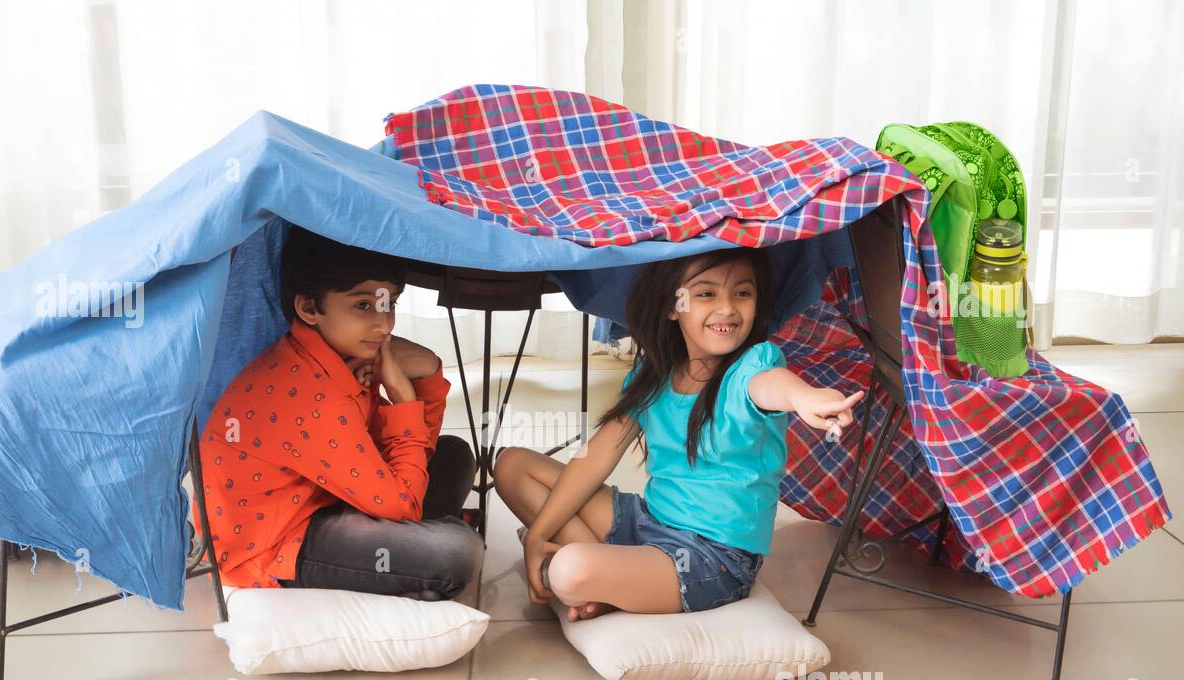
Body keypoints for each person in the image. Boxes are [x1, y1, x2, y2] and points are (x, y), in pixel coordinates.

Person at [494, 246, 863, 620]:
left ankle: (607, 580)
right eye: (706, 294)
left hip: (711, 559)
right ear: (674, 306)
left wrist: (806, 397)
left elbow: (772, 386)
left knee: (567, 570)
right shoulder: (655, 375)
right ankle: (616, 580)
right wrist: (539, 535)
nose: (727, 309)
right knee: (511, 465)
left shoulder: (753, 366)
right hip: (649, 523)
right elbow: (597, 457)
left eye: (743, 293)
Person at [196, 226, 483, 601]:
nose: (384, 324)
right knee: (456, 552)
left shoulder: (339, 355)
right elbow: (403, 504)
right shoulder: (311, 395)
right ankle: (411, 560)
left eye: (389, 303)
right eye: (363, 305)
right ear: (309, 307)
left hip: (325, 498)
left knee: (454, 455)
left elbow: (396, 450)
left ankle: (404, 559)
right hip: (275, 544)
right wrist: (403, 397)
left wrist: (428, 370)